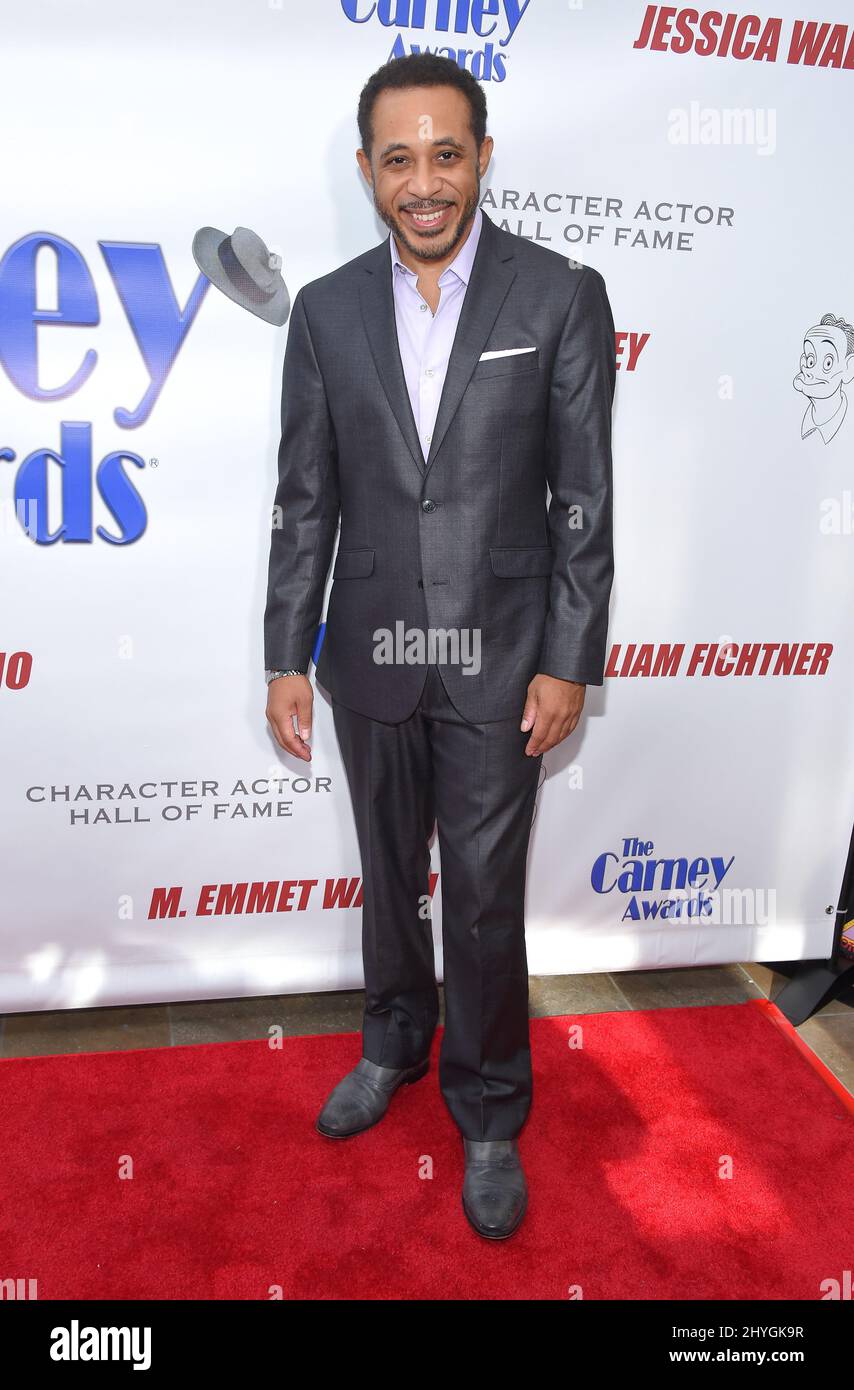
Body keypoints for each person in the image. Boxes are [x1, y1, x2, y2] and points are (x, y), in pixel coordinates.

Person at [264, 52, 616, 1240]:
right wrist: (280, 651)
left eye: (446, 154)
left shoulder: (559, 295)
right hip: (364, 648)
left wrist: (569, 656)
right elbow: (304, 497)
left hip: (504, 653)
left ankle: (486, 1111)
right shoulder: (322, 309)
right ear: (367, 172)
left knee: (478, 895)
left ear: (481, 158)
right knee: (384, 876)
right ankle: (391, 1046)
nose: (425, 182)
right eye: (398, 159)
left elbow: (583, 496)